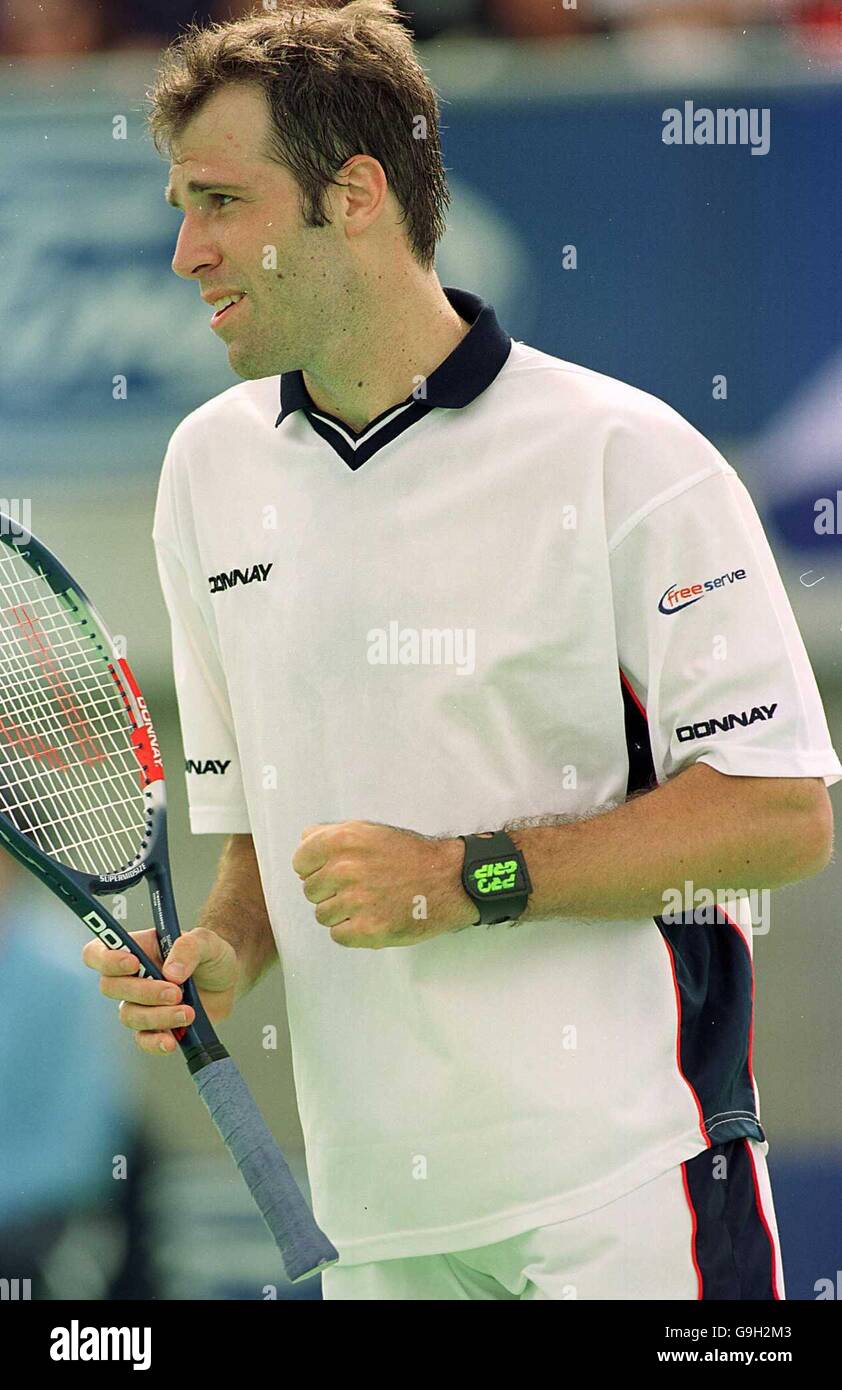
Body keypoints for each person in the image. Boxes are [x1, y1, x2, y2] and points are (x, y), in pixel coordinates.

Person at [83, 0, 840, 1301]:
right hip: (370, 1224)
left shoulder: (630, 457)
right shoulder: (203, 472)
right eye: (177, 205)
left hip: (632, 1188)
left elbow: (778, 816)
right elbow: (265, 841)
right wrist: (220, 945)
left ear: (355, 193)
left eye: (219, 202)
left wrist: (464, 874)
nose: (185, 253)